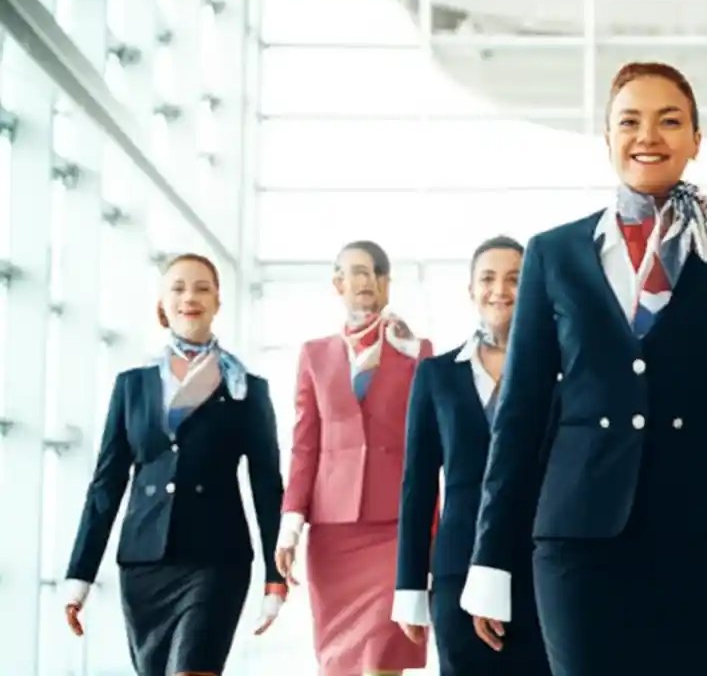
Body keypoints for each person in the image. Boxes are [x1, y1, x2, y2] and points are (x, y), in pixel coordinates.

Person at [458, 61, 707, 676]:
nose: (648, 135)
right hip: (579, 543)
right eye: (630, 121)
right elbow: (518, 418)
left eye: (669, 121)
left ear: (696, 141)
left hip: (705, 539)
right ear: (607, 139)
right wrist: (489, 556)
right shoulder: (554, 253)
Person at [62, 253, 286, 676]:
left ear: (218, 302)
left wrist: (276, 576)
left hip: (216, 558)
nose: (191, 297)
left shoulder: (246, 390)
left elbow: (266, 486)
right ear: (161, 304)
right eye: (178, 288)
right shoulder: (132, 385)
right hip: (144, 563)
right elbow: (106, 485)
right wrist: (80, 577)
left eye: (203, 288)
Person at [394, 236, 552, 676]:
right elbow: (418, 485)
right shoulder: (437, 375)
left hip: (541, 568)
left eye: (514, 279)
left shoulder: (559, 372)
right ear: (471, 290)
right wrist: (409, 586)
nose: (499, 289)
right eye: (487, 278)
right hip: (457, 570)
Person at [275, 240, 433, 676]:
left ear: (387, 283)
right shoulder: (314, 354)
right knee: (341, 661)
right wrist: (290, 523)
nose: (366, 281)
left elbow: (431, 441)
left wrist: (414, 356)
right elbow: (305, 443)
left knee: (382, 653)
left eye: (376, 272)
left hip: (396, 528)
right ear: (337, 283)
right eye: (356, 272)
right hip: (332, 533)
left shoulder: (417, 352)